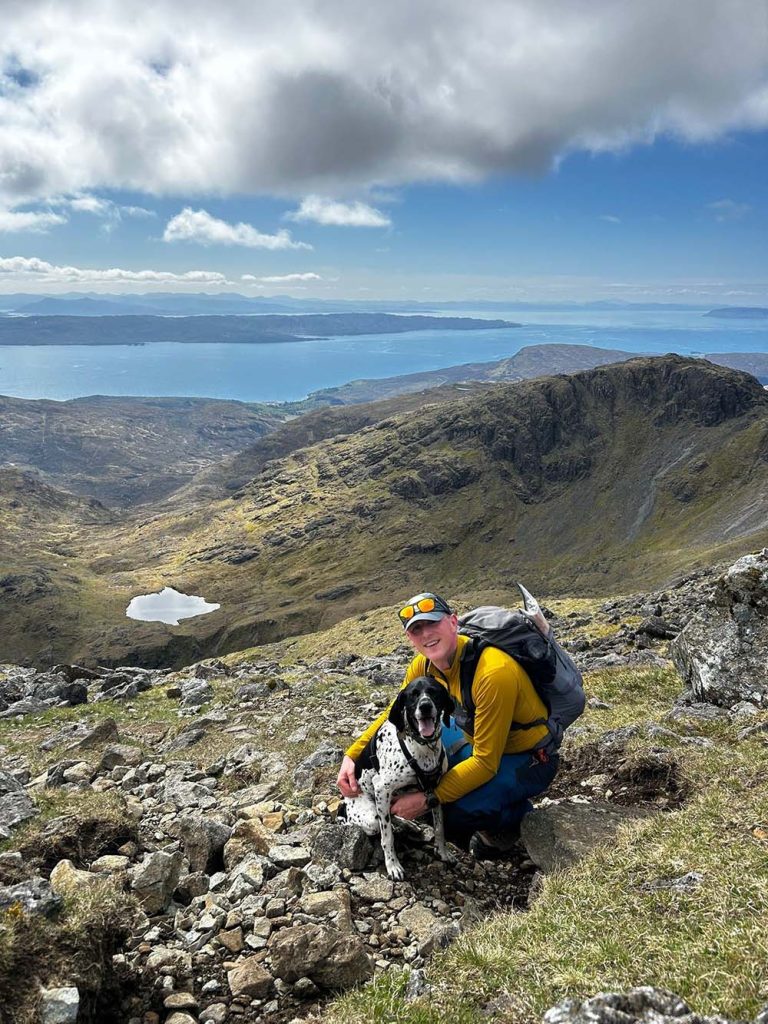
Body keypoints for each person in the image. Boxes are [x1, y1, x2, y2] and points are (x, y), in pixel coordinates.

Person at [337, 591, 560, 857]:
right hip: (474, 737)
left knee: (452, 810)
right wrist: (353, 756)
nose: (426, 634)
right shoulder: (424, 665)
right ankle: (491, 800)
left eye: (433, 623)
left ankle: (510, 824)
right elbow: (395, 711)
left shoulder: (493, 673)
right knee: (426, 768)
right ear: (410, 638)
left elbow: (486, 763)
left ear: (454, 622)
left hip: (530, 757)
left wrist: (427, 800)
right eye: (417, 629)